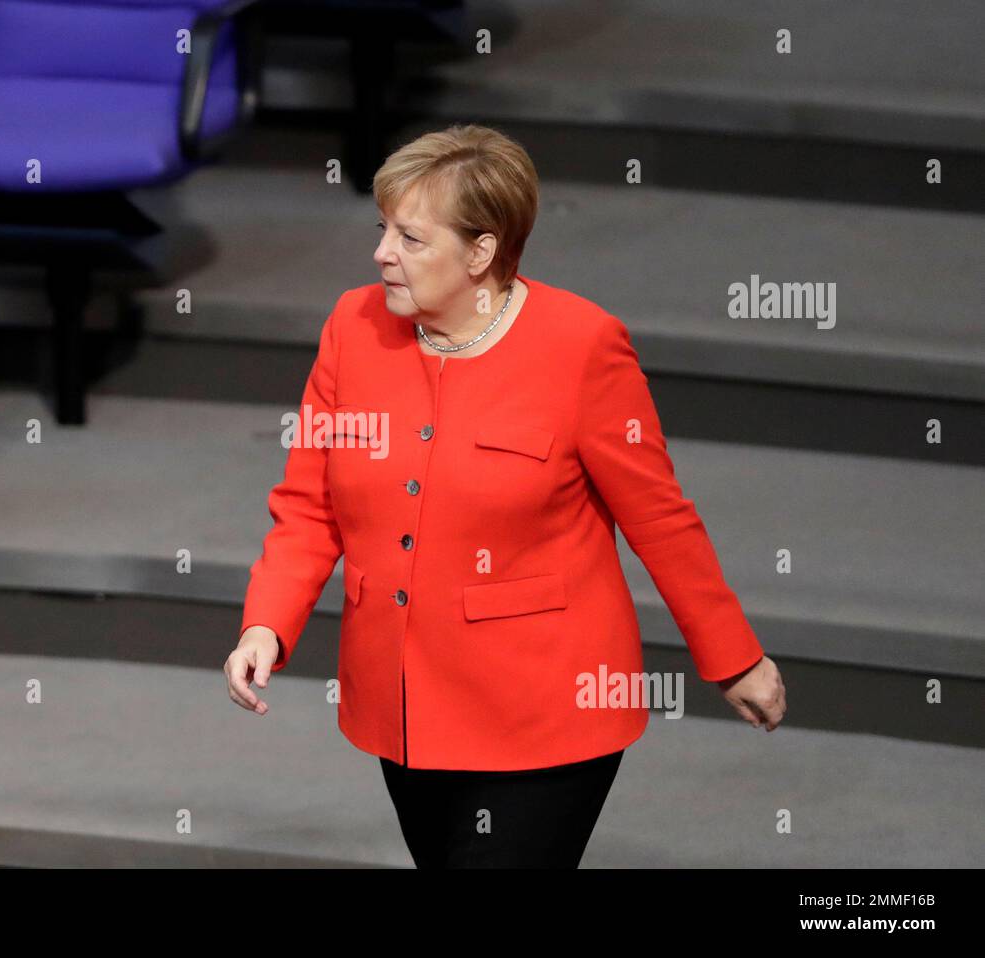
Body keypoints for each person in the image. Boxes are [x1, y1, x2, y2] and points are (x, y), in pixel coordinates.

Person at [225, 123, 786, 868]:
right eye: (382, 228)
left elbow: (658, 517)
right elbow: (310, 505)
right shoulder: (352, 329)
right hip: (402, 707)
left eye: (411, 239)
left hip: (546, 711)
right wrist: (266, 623)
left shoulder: (582, 347)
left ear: (482, 252)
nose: (382, 253)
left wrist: (732, 657)